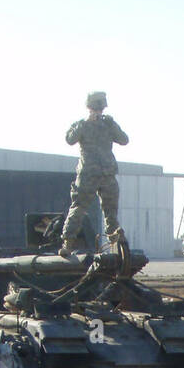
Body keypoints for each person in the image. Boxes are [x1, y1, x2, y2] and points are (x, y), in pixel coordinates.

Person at [60, 92, 129, 258]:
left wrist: (112, 125)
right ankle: (68, 243)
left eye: (100, 108)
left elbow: (124, 140)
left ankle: (114, 245)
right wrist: (84, 124)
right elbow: (70, 139)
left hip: (106, 174)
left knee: (110, 212)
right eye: (96, 108)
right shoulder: (82, 125)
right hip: (89, 175)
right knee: (79, 207)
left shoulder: (108, 124)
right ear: (89, 108)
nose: (98, 111)